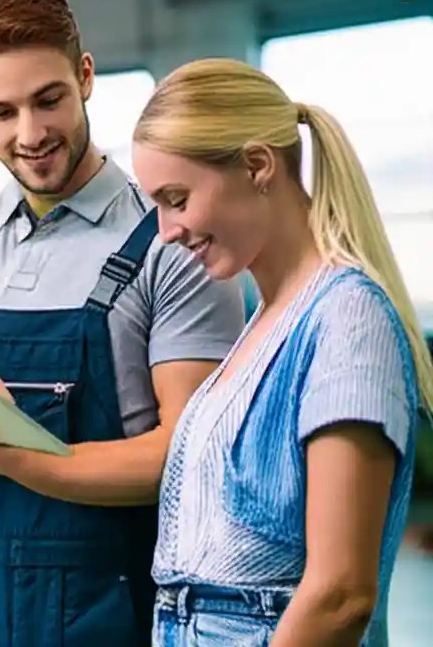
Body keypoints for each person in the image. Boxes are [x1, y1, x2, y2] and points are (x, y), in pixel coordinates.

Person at [0, 0, 247, 646]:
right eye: (2, 112)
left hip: (114, 605)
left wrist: (12, 452)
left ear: (86, 76)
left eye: (49, 101)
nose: (32, 134)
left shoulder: (174, 246)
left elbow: (186, 457)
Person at [129, 57, 432, 646]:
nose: (165, 230)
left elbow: (340, 595)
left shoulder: (347, 320)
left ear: (257, 166)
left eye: (177, 198)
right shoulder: (265, 322)